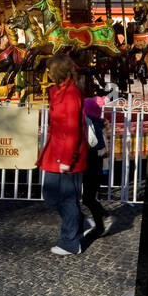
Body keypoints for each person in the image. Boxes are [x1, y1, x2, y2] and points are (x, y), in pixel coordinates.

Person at [39, 54, 87, 256]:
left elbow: (72, 129)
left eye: (50, 70)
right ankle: (81, 222)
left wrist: (66, 160)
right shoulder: (58, 91)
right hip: (55, 150)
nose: (48, 73)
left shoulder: (71, 94)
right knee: (50, 195)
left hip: (67, 155)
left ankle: (71, 242)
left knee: (67, 198)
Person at [79, 75, 115, 240]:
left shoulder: (90, 122)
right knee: (88, 196)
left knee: (87, 197)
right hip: (97, 160)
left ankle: (100, 225)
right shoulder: (98, 120)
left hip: (91, 159)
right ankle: (102, 215)